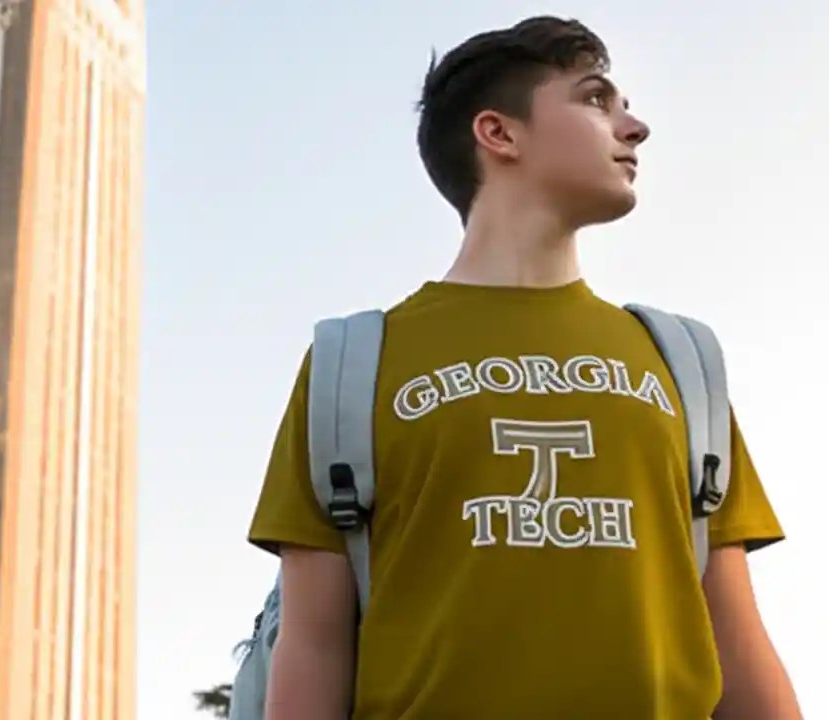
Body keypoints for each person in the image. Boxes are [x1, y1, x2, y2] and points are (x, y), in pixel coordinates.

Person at [246, 15, 802, 720]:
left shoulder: (681, 360)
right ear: (499, 133)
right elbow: (314, 649)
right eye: (597, 99)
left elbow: (738, 644)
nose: (634, 128)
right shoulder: (351, 365)